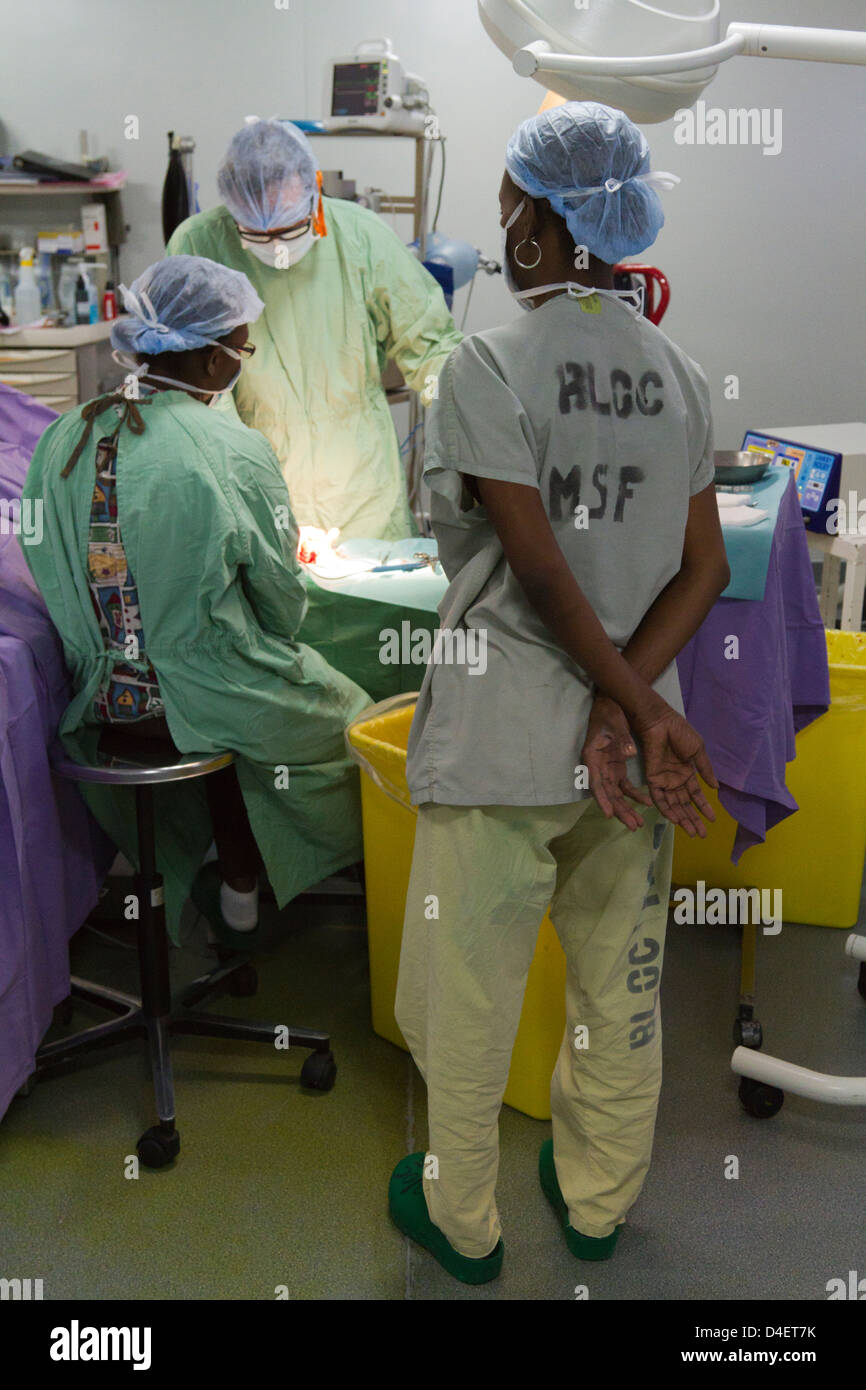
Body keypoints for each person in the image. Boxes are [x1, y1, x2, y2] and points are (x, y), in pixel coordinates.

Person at [388, 102, 731, 1283]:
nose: (495, 222)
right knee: (619, 980)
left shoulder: (484, 365)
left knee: (470, 992)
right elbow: (705, 567)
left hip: (502, 735)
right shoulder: (679, 373)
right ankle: (595, 1203)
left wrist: (608, 697)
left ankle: (462, 1222)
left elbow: (526, 565)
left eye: (504, 204)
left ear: (542, 220)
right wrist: (636, 705)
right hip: (640, 747)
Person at [22, 255, 371, 944]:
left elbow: (50, 564)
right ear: (215, 363)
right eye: (242, 347)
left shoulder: (66, 434)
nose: (243, 359)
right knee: (357, 721)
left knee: (226, 720)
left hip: (97, 699)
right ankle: (259, 883)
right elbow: (279, 601)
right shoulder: (229, 449)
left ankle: (224, 874)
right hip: (208, 697)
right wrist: (268, 635)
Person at [167, 119, 464, 541]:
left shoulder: (361, 236)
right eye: (256, 232)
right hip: (251, 479)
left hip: (360, 488)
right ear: (232, 210)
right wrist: (240, 467)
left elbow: (430, 344)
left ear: (313, 191)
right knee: (270, 598)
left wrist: (469, 419)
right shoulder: (199, 245)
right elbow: (189, 379)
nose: (276, 246)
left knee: (374, 601)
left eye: (289, 228)